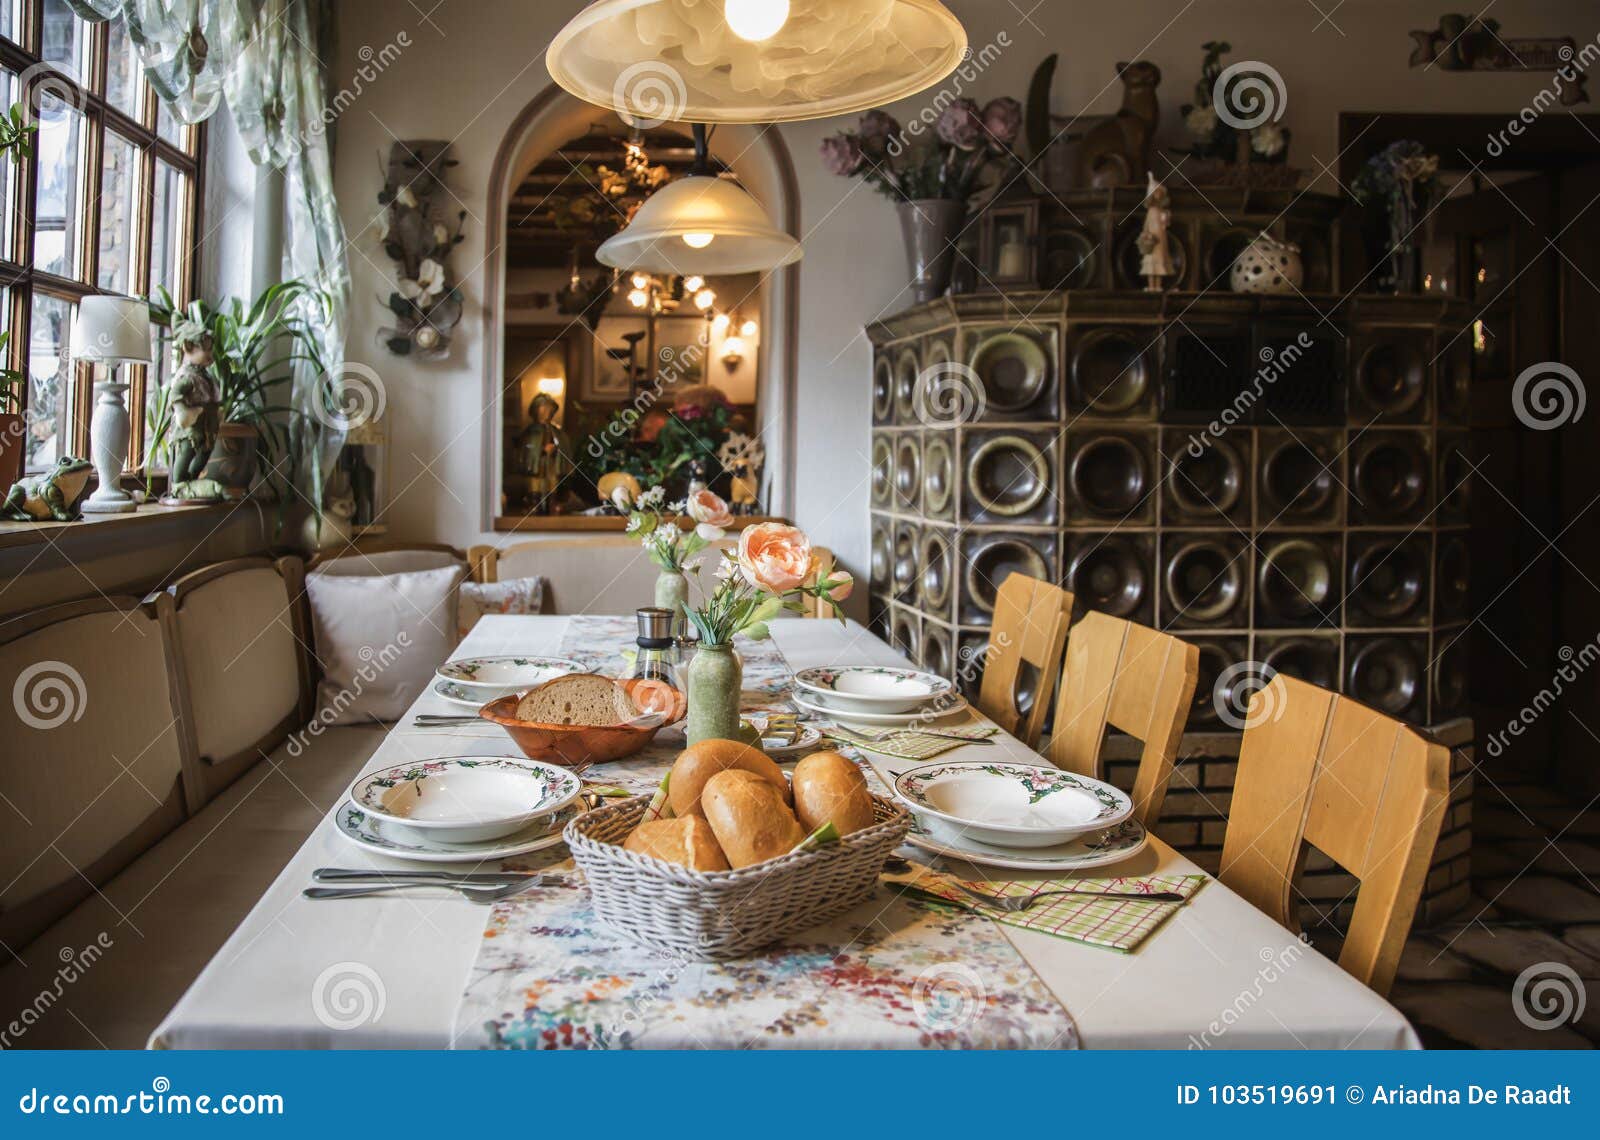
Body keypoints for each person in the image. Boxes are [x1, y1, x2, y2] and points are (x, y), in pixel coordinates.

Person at [161, 319, 223, 503]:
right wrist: (182, 410)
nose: (211, 356)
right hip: (191, 427)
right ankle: (179, 483)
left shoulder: (205, 375)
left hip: (207, 425)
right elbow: (176, 393)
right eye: (207, 350)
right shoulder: (187, 376)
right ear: (189, 347)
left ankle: (192, 480)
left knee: (204, 453)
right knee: (187, 451)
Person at [515, 392, 572, 512]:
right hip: (535, 466)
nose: (547, 413)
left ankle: (551, 504)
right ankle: (534, 505)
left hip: (551, 465)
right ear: (536, 411)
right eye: (543, 409)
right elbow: (525, 448)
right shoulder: (530, 432)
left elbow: (562, 446)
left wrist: (555, 449)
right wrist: (541, 450)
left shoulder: (557, 432)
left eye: (549, 410)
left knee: (551, 485)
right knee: (535, 486)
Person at [1137, 173, 1174, 291]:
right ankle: (1151, 285)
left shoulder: (1163, 210)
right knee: (1151, 263)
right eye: (1156, 193)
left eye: (1159, 193)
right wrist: (1145, 233)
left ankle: (1158, 286)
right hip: (1152, 239)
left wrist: (1166, 218)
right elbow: (1147, 224)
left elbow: (1166, 224)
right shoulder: (1151, 211)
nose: (1158, 195)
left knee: (1160, 262)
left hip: (1160, 239)